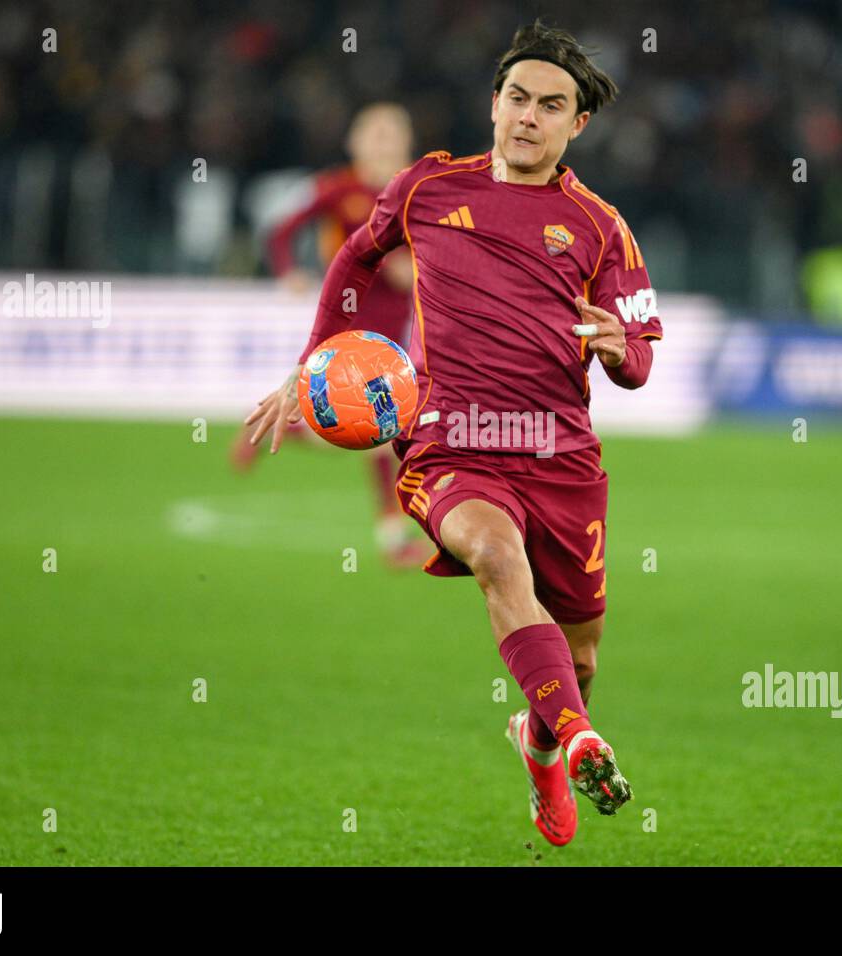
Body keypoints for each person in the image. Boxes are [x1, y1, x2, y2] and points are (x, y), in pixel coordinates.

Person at [245, 20, 662, 846]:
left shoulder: (601, 227)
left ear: (577, 125)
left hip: (562, 457)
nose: (528, 117)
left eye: (551, 106)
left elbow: (640, 359)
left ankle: (543, 743)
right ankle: (579, 741)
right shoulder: (428, 189)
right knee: (496, 558)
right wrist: (312, 362)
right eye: (516, 97)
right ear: (494, 102)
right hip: (453, 445)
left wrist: (624, 352)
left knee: (577, 666)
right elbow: (354, 261)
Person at [232, 102, 430, 568]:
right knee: (385, 430)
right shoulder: (337, 188)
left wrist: (418, 272)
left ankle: (280, 426)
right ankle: (394, 540)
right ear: (354, 142)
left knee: (372, 431)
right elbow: (280, 231)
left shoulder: (419, 194)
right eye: (374, 132)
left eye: (391, 132)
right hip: (349, 325)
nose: (382, 141)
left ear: (407, 141)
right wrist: (288, 272)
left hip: (406, 327)